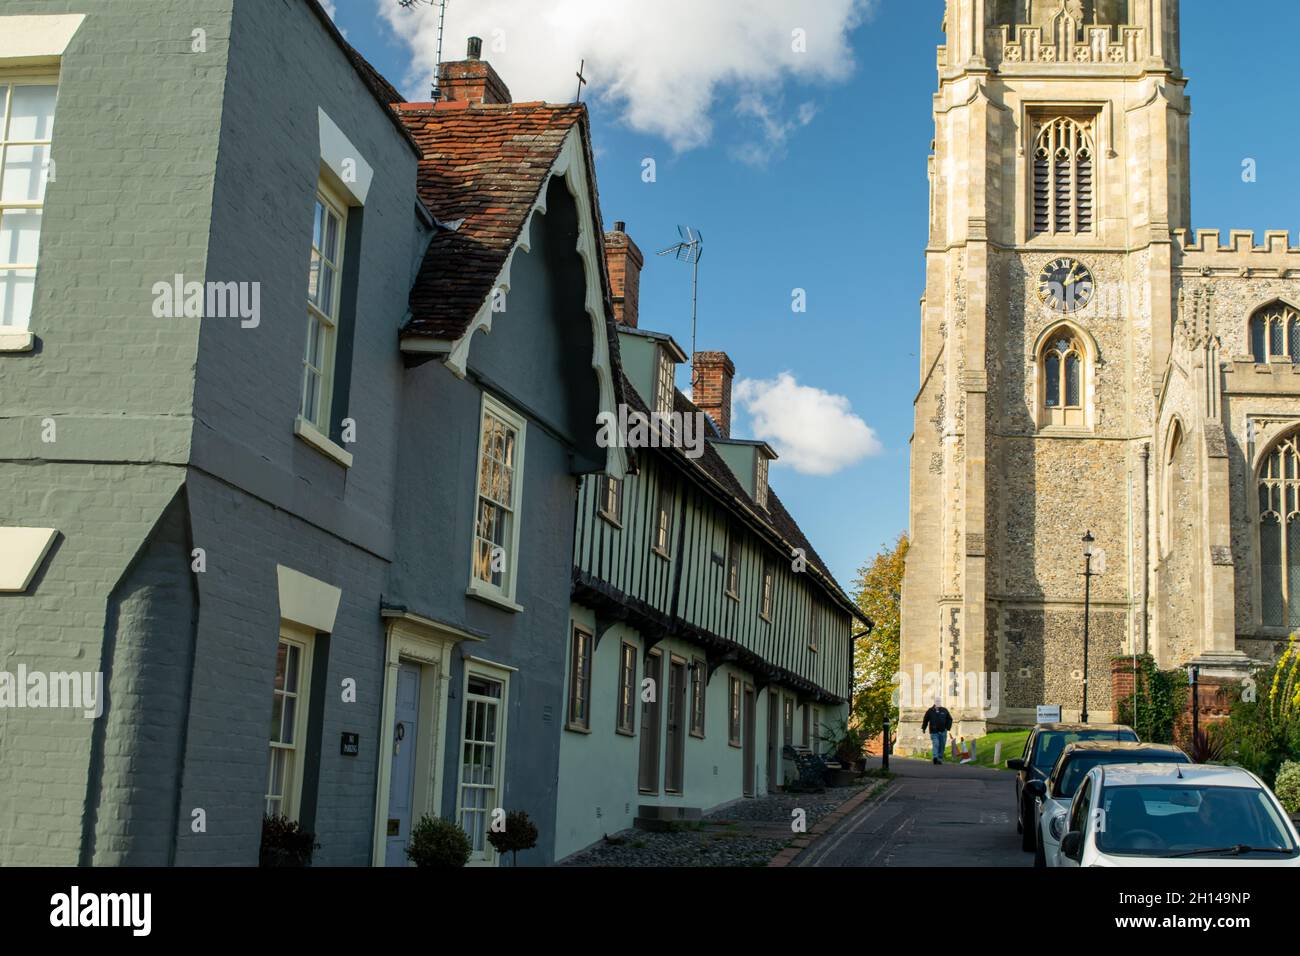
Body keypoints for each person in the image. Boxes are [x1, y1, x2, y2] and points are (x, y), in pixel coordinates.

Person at [921, 698, 953, 765]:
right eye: (937, 701)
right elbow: (925, 720)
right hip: (934, 731)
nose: (938, 703)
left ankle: (940, 758)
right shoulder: (930, 711)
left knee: (942, 745)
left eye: (939, 701)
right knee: (936, 744)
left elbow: (950, 719)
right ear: (935, 702)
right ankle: (935, 757)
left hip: (943, 731)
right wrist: (924, 728)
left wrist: (947, 728)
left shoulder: (944, 710)